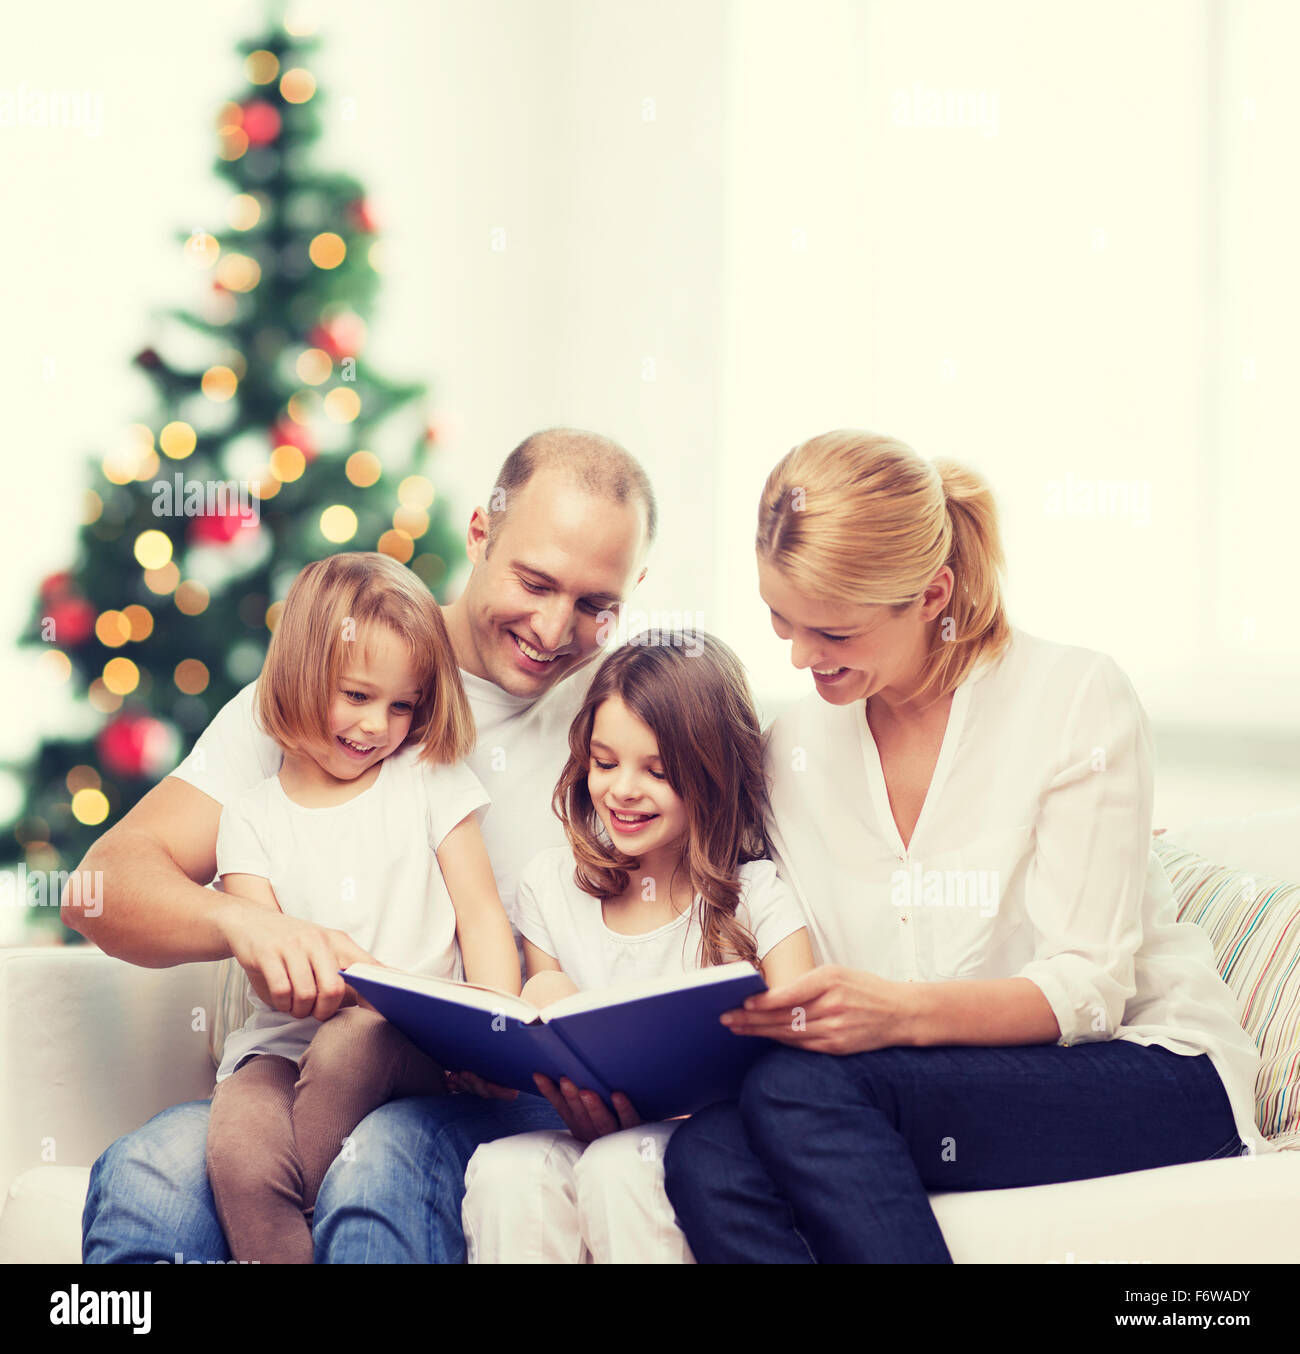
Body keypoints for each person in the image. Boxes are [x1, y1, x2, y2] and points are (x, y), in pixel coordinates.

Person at [662, 429, 1265, 1264]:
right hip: (900, 1086)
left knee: (801, 1092)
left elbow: (1090, 991)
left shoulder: (1074, 699)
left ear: (933, 593)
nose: (802, 658)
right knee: (707, 1156)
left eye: (834, 633)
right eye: (781, 621)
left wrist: (895, 1013)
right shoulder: (794, 744)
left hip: (1147, 1068)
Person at [70, 428, 656, 1263]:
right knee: (149, 1176)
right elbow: (104, 887)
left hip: (480, 1091)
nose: (556, 628)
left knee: (375, 1162)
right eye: (535, 581)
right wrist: (250, 926)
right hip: (298, 1071)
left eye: (598, 605)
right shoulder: (315, 698)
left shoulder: (627, 725)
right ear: (479, 535)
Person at [205, 552, 521, 1264]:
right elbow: (269, 968)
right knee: (237, 1152)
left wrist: (493, 1031)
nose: (378, 725)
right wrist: (334, 967)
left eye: (402, 704)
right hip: (284, 1045)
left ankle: (315, 1209)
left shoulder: (428, 776)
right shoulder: (250, 816)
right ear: (299, 674)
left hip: (413, 1043)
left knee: (354, 1041)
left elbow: (482, 917)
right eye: (356, 695)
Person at [460, 635, 814, 1263]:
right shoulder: (551, 883)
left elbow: (802, 1050)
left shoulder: (755, 896)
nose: (622, 790)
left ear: (714, 774)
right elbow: (551, 1039)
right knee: (507, 1169)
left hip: (711, 1142)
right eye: (604, 762)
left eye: (658, 771)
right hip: (584, 1130)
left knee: (624, 1166)